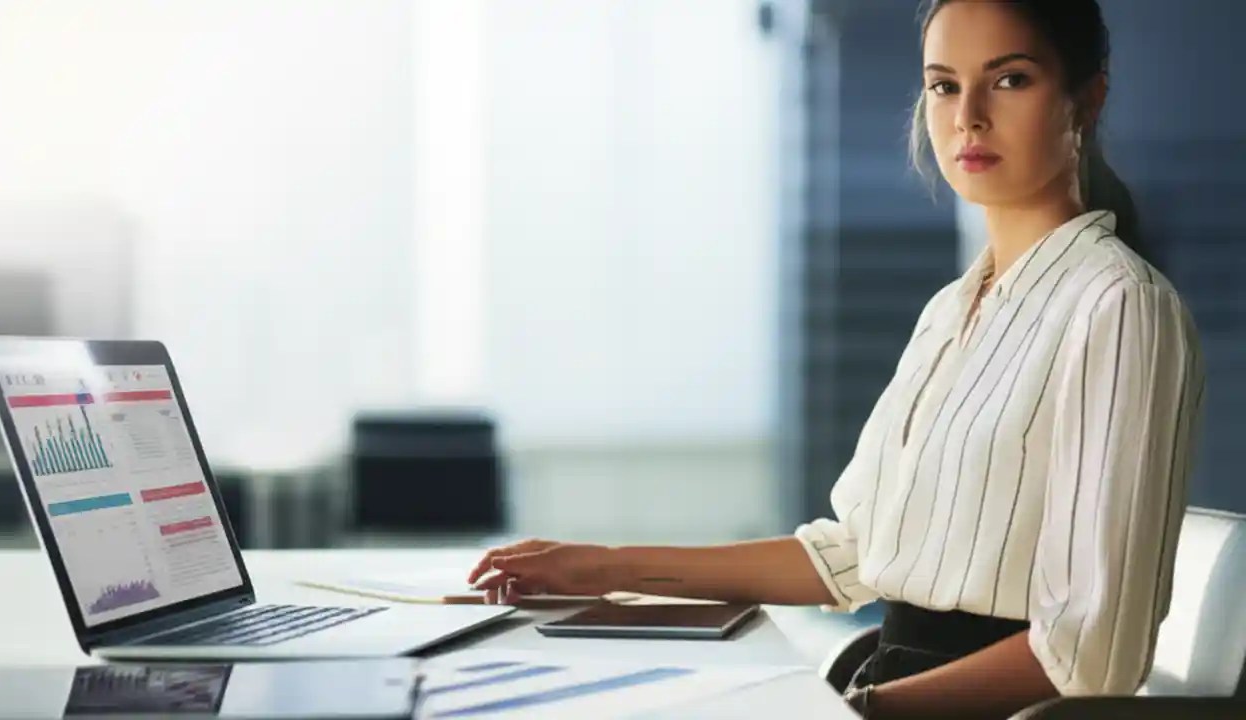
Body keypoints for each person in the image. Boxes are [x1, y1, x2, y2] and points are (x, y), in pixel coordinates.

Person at [466, 1, 1206, 717]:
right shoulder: (955, 309)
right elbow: (854, 553)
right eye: (944, 84)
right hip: (891, 685)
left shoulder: (1119, 307)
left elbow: (1091, 651)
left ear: (1086, 97)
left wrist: (859, 711)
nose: (968, 115)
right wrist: (605, 568)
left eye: (1010, 79)